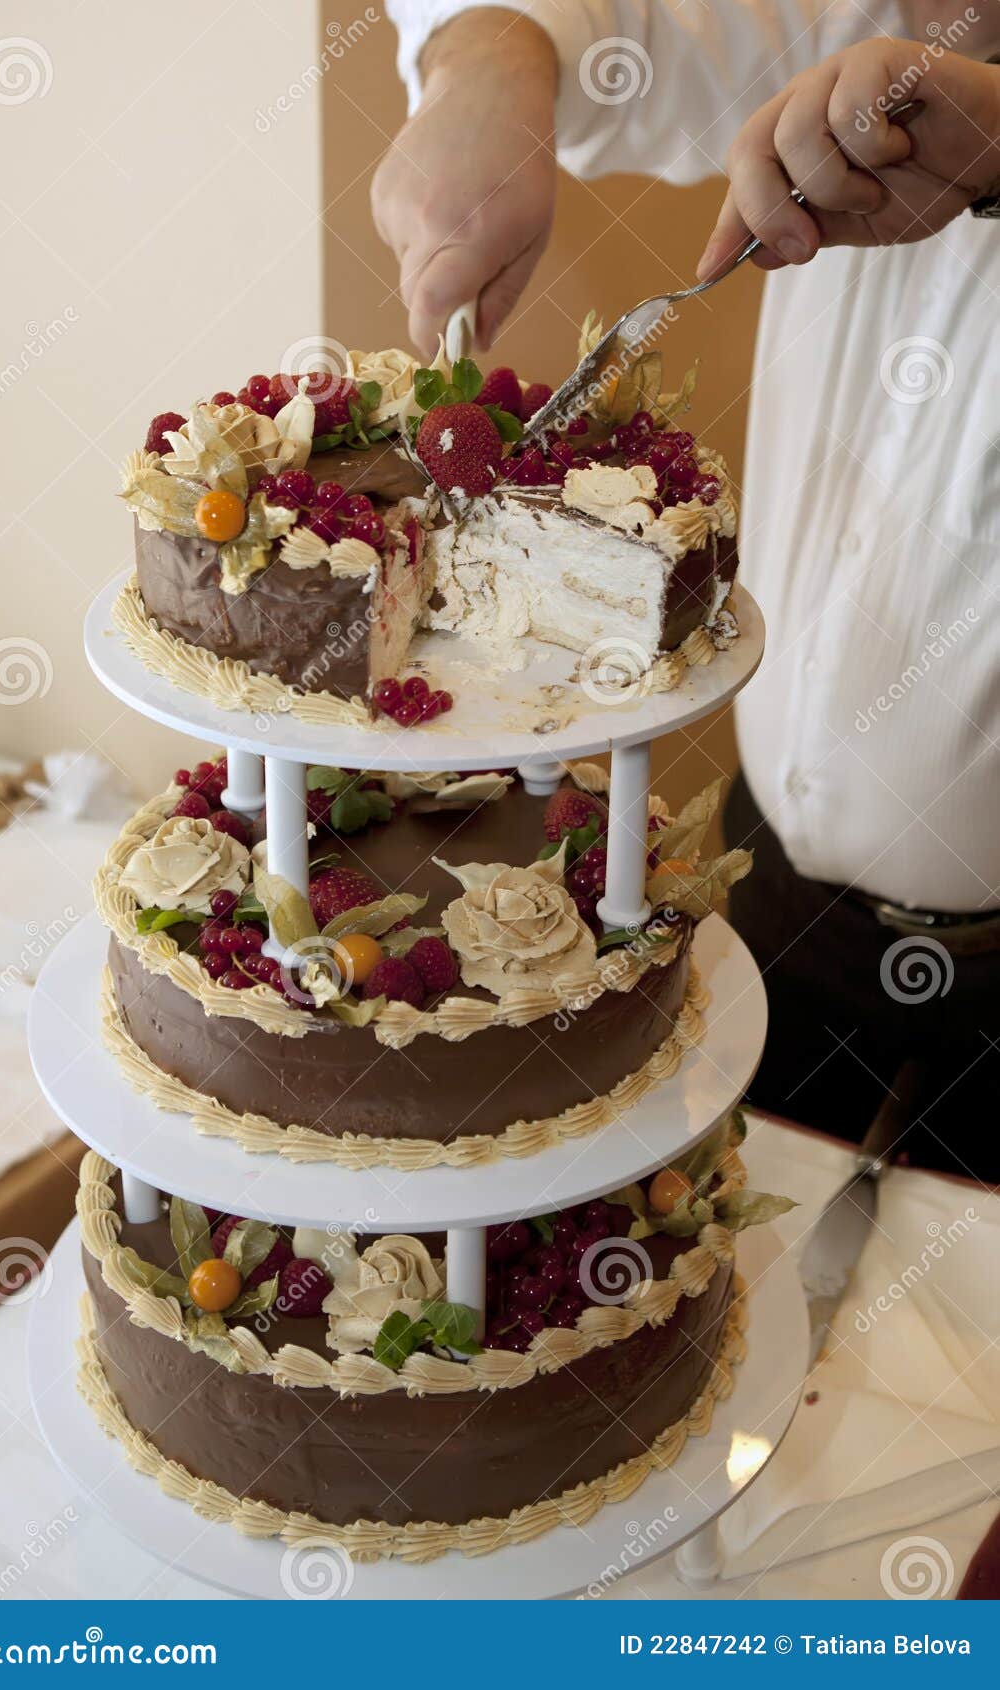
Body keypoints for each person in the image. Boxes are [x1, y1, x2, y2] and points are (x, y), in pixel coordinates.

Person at [376, 4, 1000, 1177]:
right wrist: (488, 62)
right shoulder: (884, 23)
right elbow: (627, 40)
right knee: (713, 1268)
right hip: (776, 910)